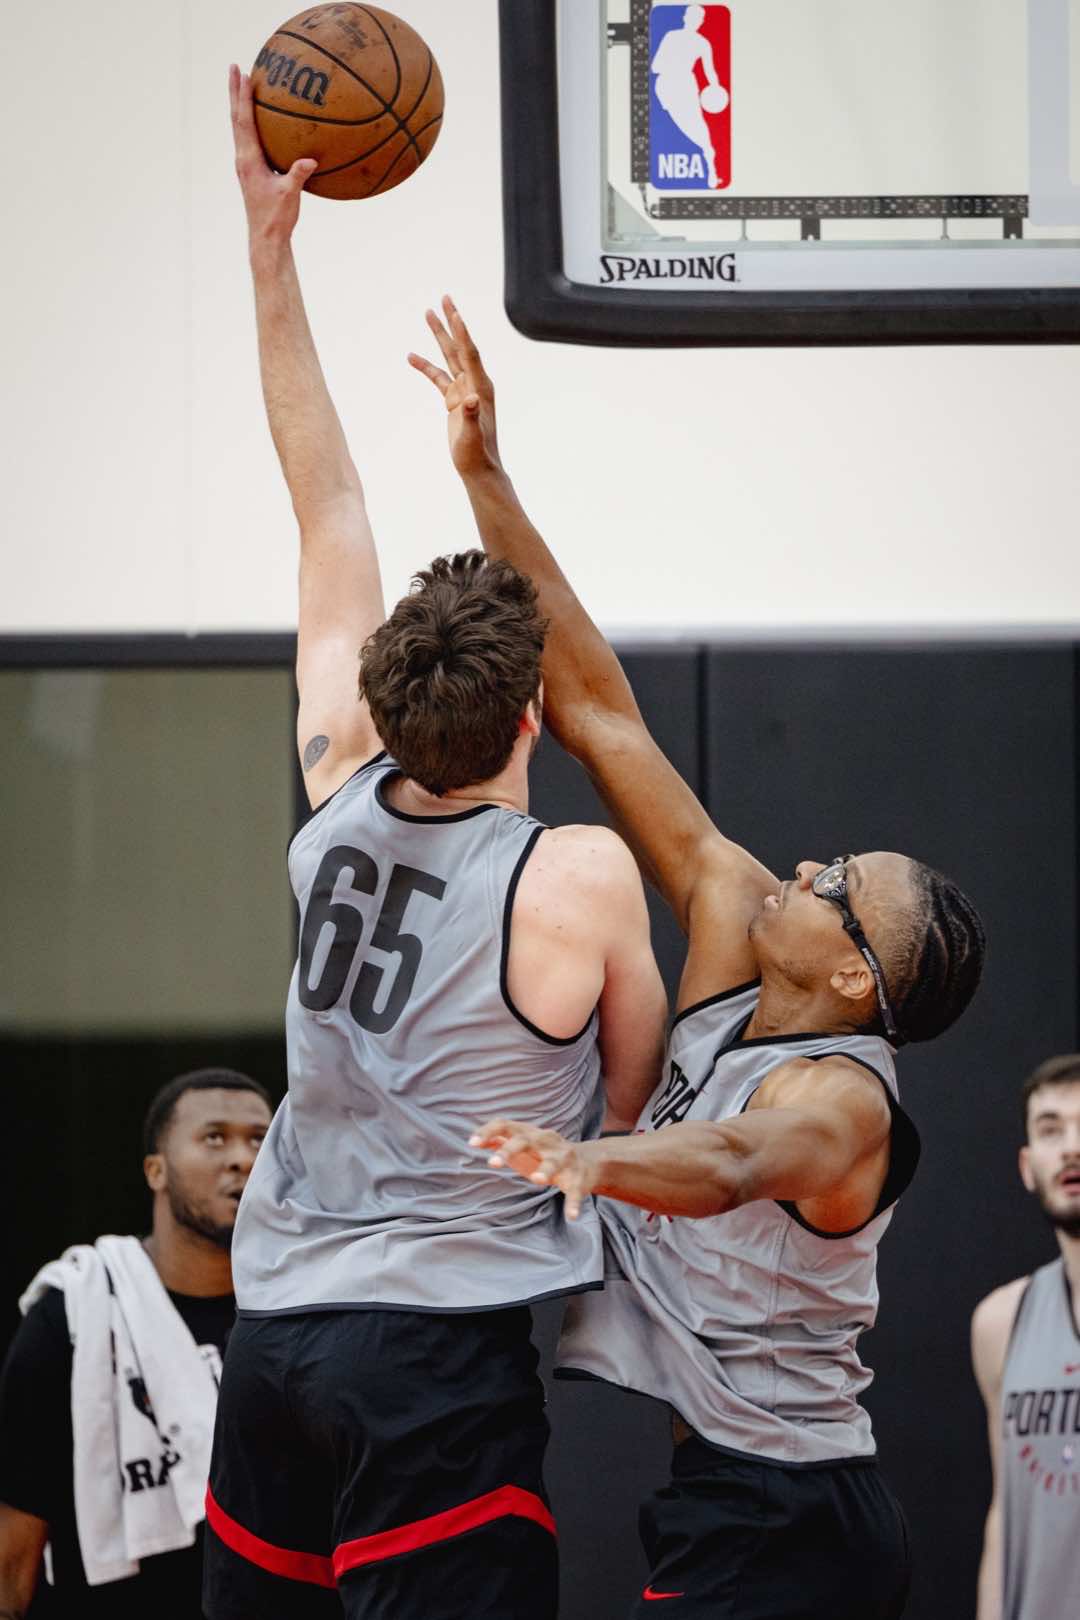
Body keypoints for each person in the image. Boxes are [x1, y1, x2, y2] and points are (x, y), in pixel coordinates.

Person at [410, 299, 987, 1620]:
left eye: (837, 891)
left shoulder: (843, 1108)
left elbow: (730, 1166)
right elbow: (599, 707)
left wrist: (590, 1161)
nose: (807, 868)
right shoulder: (737, 927)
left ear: (852, 980)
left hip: (797, 1514)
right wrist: (485, 475)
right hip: (729, 1491)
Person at [203, 69, 666, 1620]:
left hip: (272, 1340)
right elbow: (624, 1104)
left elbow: (324, 497)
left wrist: (271, 247)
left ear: (388, 706)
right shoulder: (578, 880)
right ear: (526, 718)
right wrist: (487, 460)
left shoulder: (335, 771)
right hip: (434, 1358)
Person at [0, 1068, 272, 1619]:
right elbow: (13, 1560)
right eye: (214, 1137)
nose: (242, 1157)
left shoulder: (301, 1314)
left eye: (260, 1139)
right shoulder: (75, 1313)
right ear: (156, 1170)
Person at [971, 1053, 1080, 1620]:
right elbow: (1005, 1513)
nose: (1071, 1147)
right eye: (1051, 1129)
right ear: (1027, 1165)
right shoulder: (999, 1323)